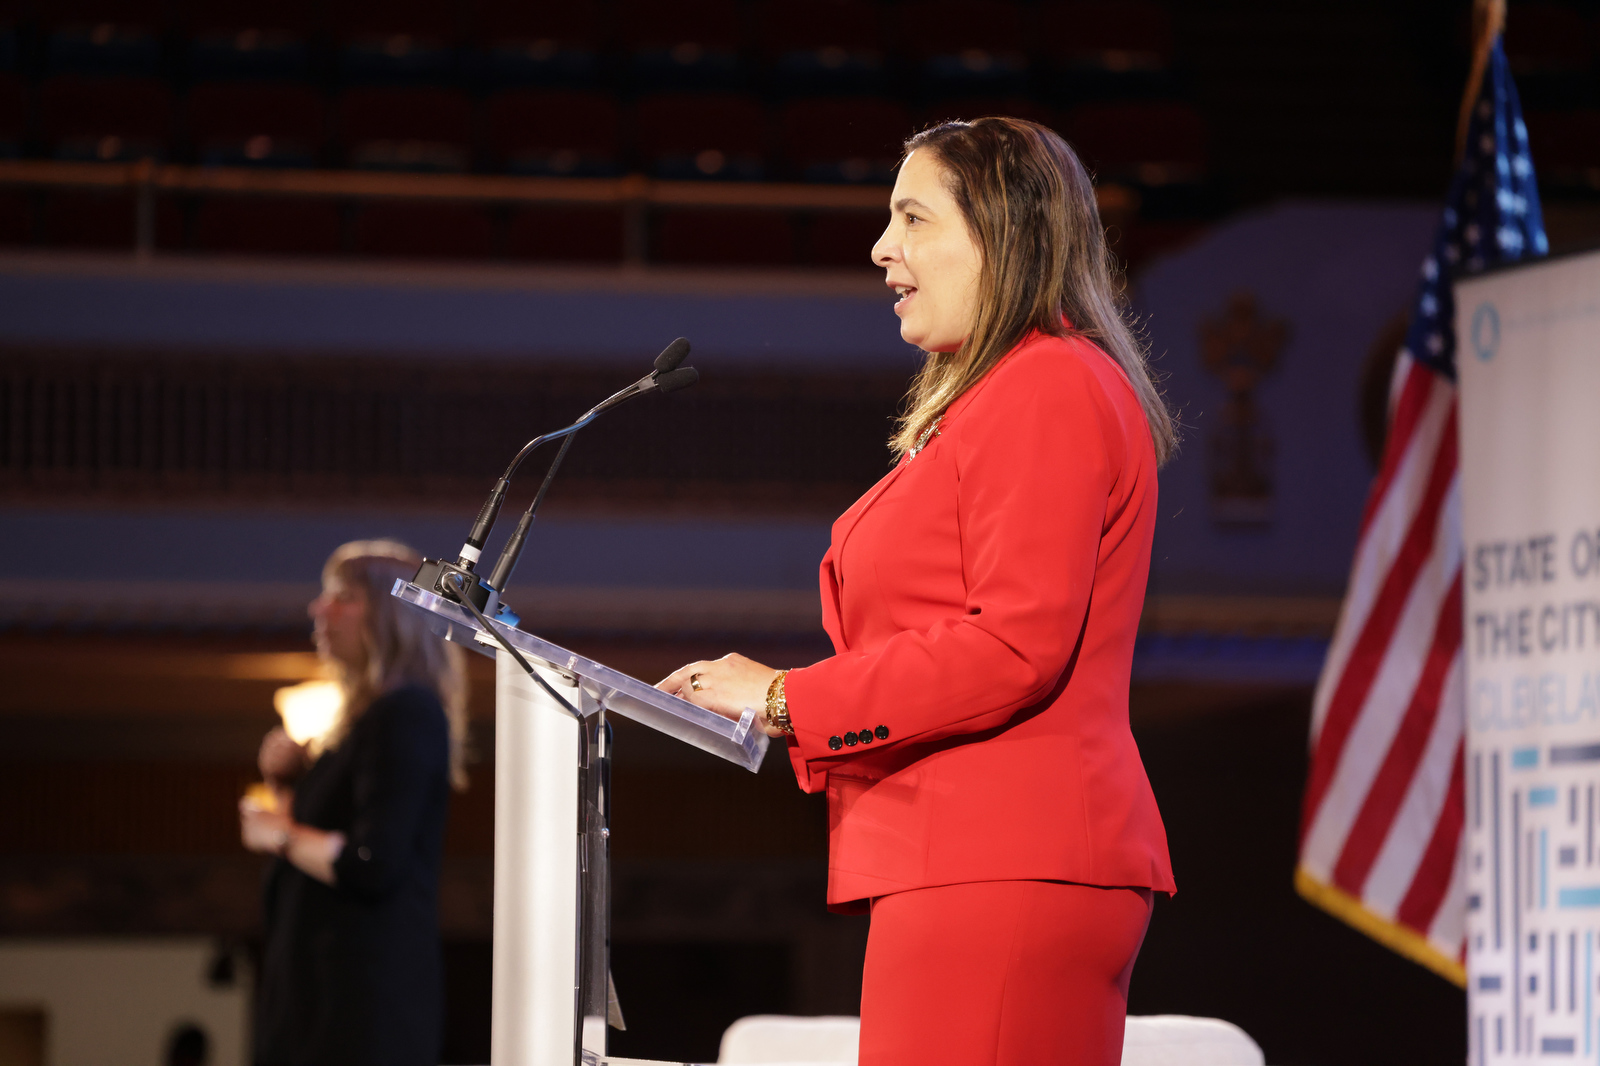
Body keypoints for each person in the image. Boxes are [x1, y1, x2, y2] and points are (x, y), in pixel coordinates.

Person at [658, 117, 1178, 1066]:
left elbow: (1016, 643)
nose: (881, 249)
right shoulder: (1012, 392)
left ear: (1003, 233)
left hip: (1006, 861)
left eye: (912, 218)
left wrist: (787, 696)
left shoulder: (1049, 383)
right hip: (973, 863)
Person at [240, 539, 468, 1066]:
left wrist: (278, 832)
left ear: (389, 615)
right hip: (329, 1007)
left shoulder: (405, 712)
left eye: (342, 597)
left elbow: (373, 861)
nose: (319, 609)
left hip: (359, 1014)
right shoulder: (367, 723)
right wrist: (289, 785)